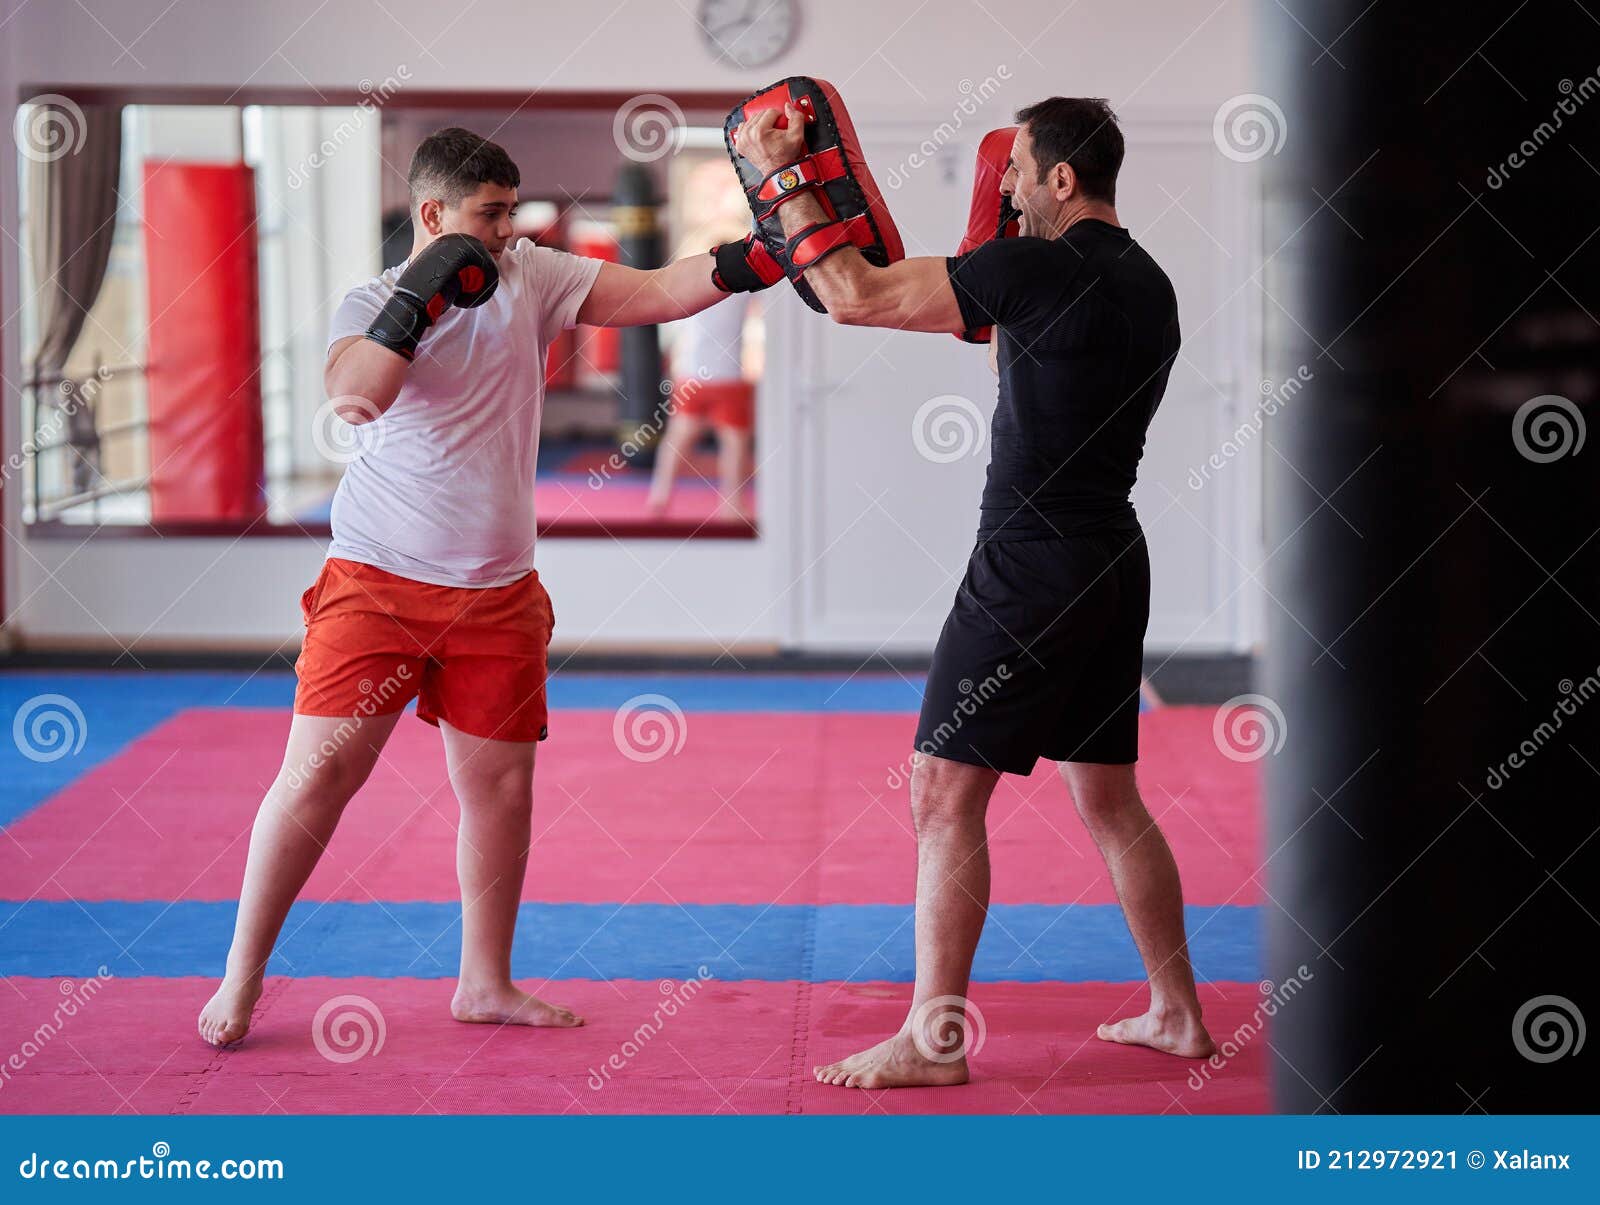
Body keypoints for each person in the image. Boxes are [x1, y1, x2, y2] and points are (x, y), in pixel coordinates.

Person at [198, 126, 776, 1046]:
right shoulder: (371, 297)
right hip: (377, 580)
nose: (511, 230)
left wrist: (761, 253)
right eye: (491, 215)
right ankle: (241, 976)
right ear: (435, 215)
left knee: (501, 791)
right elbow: (356, 397)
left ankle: (485, 981)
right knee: (317, 780)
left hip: (498, 591)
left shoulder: (533, 275)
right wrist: (420, 300)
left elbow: (662, 290)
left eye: (514, 211)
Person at [734, 97, 1217, 1088]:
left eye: (1015, 170)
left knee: (942, 788)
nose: (1001, 184)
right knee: (1109, 794)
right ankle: (1176, 1010)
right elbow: (1030, 362)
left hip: (1028, 562)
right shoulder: (1149, 284)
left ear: (1060, 181)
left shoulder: (1033, 267)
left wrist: (785, 176)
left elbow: (855, 296)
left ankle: (932, 1037)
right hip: (1111, 557)